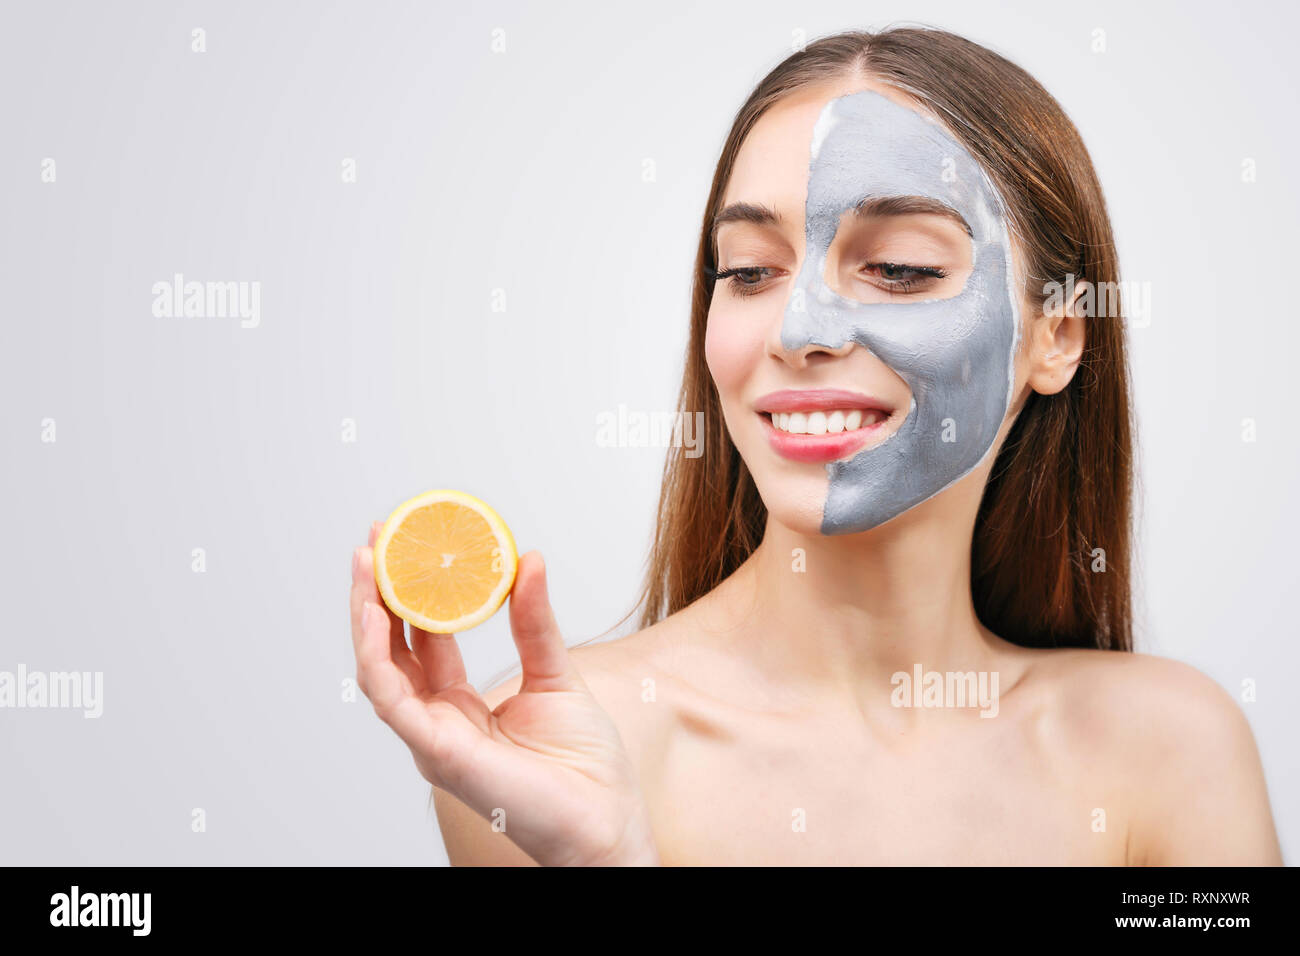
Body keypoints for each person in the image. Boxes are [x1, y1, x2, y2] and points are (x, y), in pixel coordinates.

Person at [348, 27, 1283, 866]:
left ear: (1057, 338)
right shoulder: (565, 748)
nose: (796, 329)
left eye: (902, 268)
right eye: (749, 271)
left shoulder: (1171, 750)